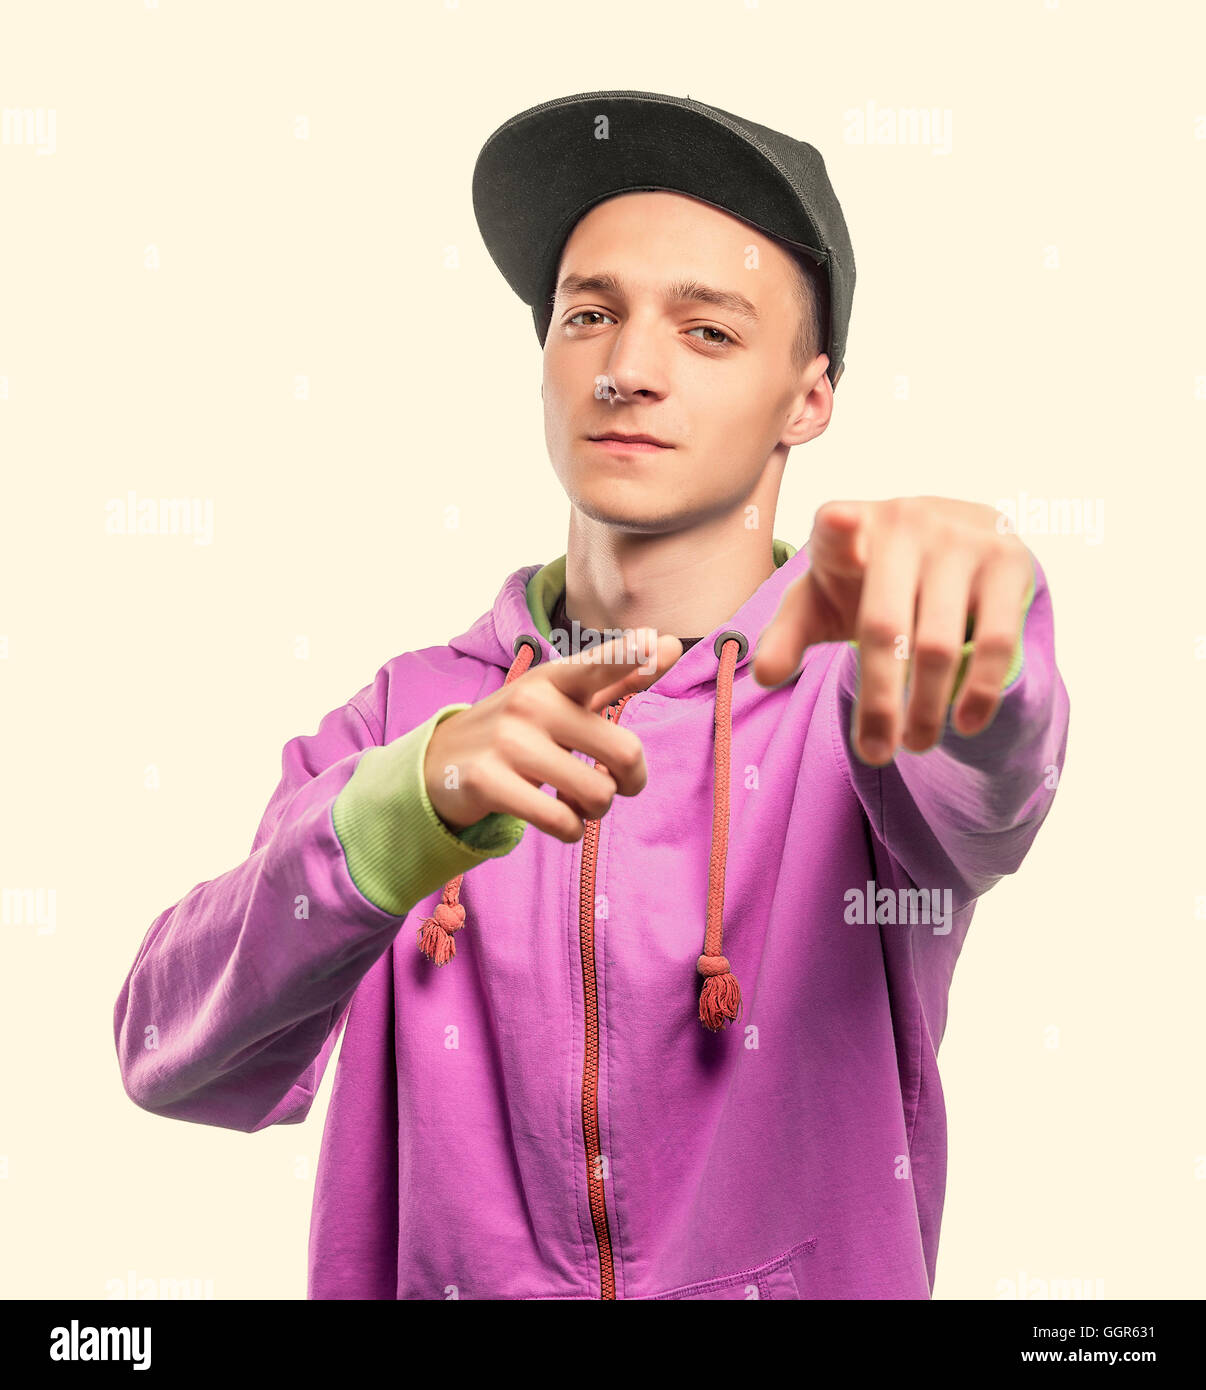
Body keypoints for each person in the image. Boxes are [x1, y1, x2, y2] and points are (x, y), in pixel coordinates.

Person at [113, 90, 1070, 1300]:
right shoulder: (408, 721)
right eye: (589, 315)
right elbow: (170, 1055)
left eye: (708, 332)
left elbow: (994, 783)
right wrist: (405, 809)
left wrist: (989, 631)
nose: (626, 369)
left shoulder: (857, 700)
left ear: (810, 398)